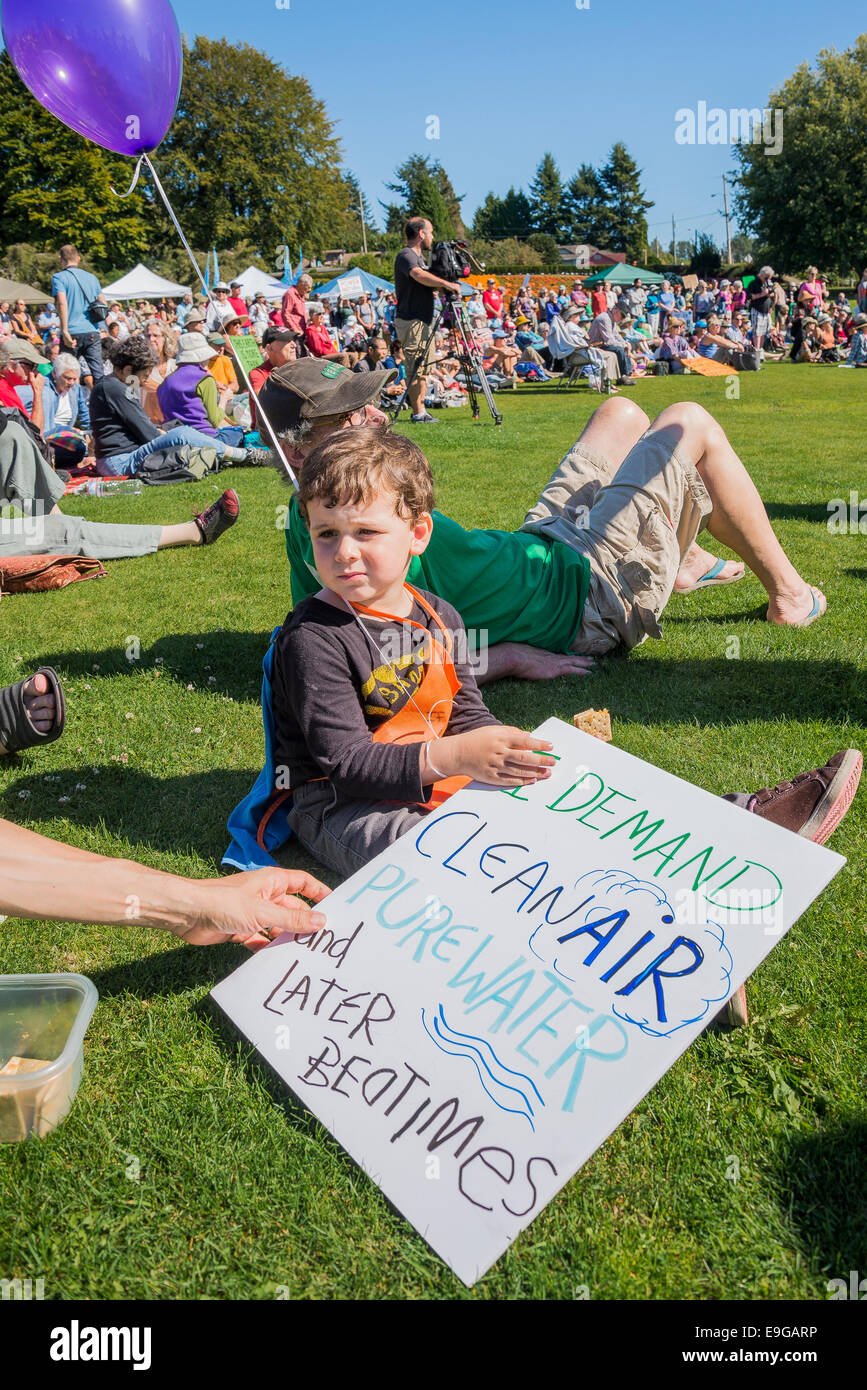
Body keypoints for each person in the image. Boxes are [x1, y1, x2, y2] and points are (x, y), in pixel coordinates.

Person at [266, 426, 859, 879]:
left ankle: (738, 820)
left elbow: (465, 711)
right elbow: (342, 762)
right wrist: (456, 759)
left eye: (366, 532)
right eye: (326, 533)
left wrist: (502, 750)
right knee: (467, 857)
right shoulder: (313, 637)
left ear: (419, 535)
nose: (344, 552)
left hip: (433, 768)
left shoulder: (438, 614)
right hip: (344, 806)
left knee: (566, 786)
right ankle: (673, 938)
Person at [266, 362, 827, 683]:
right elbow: (371, 663)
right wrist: (507, 658)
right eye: (349, 416)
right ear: (295, 450)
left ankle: (679, 558)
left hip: (545, 546)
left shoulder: (312, 513)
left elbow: (314, 628)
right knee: (689, 422)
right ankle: (790, 595)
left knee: (623, 412)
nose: (377, 414)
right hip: (588, 597)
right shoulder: (352, 539)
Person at [90, 336, 267, 476]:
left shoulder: (109, 386)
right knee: (182, 434)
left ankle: (237, 454)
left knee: (180, 434)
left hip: (116, 460)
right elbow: (148, 434)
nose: (145, 381)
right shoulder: (118, 390)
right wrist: (166, 434)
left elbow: (139, 428)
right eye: (144, 375)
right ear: (128, 371)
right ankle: (244, 456)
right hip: (120, 462)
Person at [393, 216, 463, 425]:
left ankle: (421, 410)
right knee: (415, 366)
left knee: (424, 368)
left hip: (423, 320)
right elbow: (418, 275)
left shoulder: (421, 258)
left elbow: (425, 279)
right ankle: (417, 413)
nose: (432, 237)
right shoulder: (407, 256)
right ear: (421, 234)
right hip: (411, 320)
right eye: (430, 232)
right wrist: (447, 285)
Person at [51, 243, 106, 385]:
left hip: (72, 332)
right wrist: (102, 327)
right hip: (92, 331)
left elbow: (62, 303)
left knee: (65, 375)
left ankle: (70, 405)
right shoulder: (92, 277)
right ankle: (103, 405)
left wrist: (64, 330)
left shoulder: (59, 277)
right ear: (79, 259)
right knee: (98, 374)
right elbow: (102, 302)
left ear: (60, 259)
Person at [248, 326, 301, 425]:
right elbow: (263, 401)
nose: (294, 345)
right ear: (270, 348)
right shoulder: (258, 373)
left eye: (293, 340)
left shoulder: (299, 367)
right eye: (287, 341)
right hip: (269, 433)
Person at [588, 304, 637, 383]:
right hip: (596, 346)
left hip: (602, 344)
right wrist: (624, 345)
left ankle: (625, 375)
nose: (622, 319)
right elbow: (609, 341)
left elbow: (616, 335)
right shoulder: (604, 319)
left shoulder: (610, 318)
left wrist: (626, 343)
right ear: (616, 311)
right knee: (619, 349)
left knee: (622, 348)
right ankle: (623, 376)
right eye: (622, 316)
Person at [748, 266, 775, 352]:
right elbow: (750, 297)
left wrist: (770, 295)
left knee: (763, 332)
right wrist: (762, 294)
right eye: (766, 277)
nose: (767, 280)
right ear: (762, 275)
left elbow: (772, 293)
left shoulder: (767, 283)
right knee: (757, 332)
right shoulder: (754, 283)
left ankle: (760, 351)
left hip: (766, 311)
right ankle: (757, 351)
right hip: (757, 310)